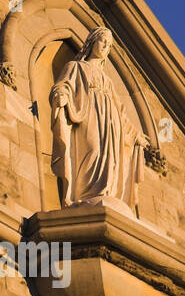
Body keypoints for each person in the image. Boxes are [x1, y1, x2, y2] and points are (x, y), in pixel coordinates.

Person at [50, 26, 146, 214]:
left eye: (109, 45)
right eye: (102, 41)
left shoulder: (107, 80)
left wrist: (135, 136)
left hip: (110, 124)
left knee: (108, 158)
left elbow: (120, 111)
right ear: (92, 42)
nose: (105, 47)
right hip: (88, 114)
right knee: (92, 149)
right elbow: (63, 85)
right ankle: (86, 194)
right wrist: (61, 95)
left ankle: (105, 191)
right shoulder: (76, 67)